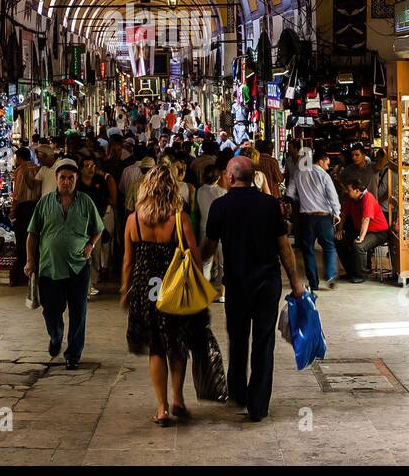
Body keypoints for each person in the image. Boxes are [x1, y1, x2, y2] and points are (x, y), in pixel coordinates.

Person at [200, 156, 305, 422]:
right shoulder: (270, 205)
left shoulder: (219, 206)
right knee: (263, 342)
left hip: (236, 284)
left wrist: (191, 268)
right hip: (267, 284)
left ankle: (237, 392)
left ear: (232, 177)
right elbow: (284, 247)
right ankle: (258, 404)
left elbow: (209, 249)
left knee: (237, 339)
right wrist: (294, 282)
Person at [120, 163, 204, 426]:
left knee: (155, 348)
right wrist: (198, 283)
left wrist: (125, 289)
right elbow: (194, 253)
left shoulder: (134, 219)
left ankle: (161, 407)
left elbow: (127, 260)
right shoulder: (180, 218)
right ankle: (178, 399)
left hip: (146, 289)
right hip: (174, 288)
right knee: (177, 345)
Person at [25, 158, 103, 369]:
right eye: (63, 178)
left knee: (79, 311)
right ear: (56, 179)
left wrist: (90, 245)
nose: (66, 182)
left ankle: (73, 355)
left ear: (76, 179)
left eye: (71, 178)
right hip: (50, 267)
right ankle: (56, 335)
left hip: (79, 266)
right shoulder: (45, 202)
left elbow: (98, 228)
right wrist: (30, 260)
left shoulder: (86, 202)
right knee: (51, 309)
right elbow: (32, 233)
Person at [286, 148, 342, 291]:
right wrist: (337, 212)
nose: (328, 166)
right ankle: (330, 275)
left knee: (308, 250)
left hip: (306, 218)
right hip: (324, 217)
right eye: (327, 163)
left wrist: (302, 199)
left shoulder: (298, 174)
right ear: (319, 160)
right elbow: (332, 196)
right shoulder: (323, 175)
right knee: (329, 247)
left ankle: (314, 282)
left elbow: (290, 194)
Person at [337, 180, 394, 283]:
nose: (346, 191)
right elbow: (343, 214)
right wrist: (339, 230)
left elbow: (366, 219)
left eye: (349, 190)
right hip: (364, 230)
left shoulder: (368, 198)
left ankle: (361, 275)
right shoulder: (351, 199)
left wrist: (361, 237)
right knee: (339, 241)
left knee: (359, 246)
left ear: (357, 191)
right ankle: (351, 272)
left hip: (379, 232)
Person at [78, 154, 117, 293]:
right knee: (81, 253)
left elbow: (107, 199)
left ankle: (92, 282)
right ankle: (82, 284)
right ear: (81, 169)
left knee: (95, 253)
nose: (90, 168)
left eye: (93, 165)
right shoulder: (77, 183)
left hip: (97, 223)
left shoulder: (100, 180)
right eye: (87, 166)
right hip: (80, 223)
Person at [11, 147, 40, 287]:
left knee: (22, 240)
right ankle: (34, 270)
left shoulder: (20, 170)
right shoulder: (37, 168)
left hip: (23, 209)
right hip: (35, 207)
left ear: (20, 158)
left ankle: (23, 273)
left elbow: (16, 194)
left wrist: (12, 209)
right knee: (34, 237)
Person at [195, 164, 227, 292]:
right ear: (218, 177)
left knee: (206, 260)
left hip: (204, 227)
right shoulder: (222, 192)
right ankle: (222, 290)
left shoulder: (199, 190)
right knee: (222, 262)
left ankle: (203, 289)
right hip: (221, 229)